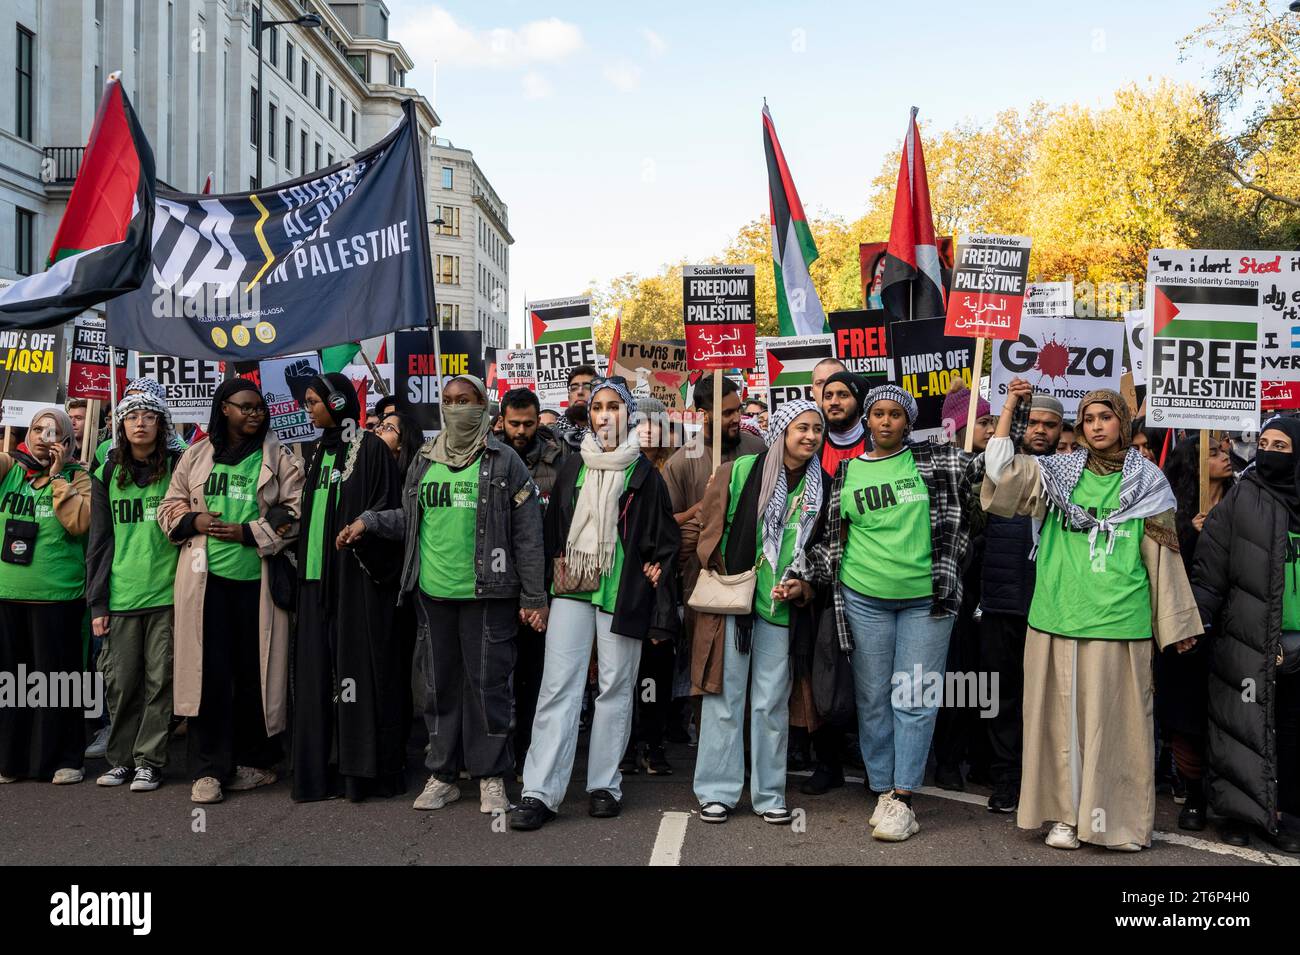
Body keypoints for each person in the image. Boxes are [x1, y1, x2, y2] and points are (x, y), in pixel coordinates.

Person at [982, 380, 1201, 851]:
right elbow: (999, 470)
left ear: (1122, 422)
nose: (1097, 426)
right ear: (1078, 427)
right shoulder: (1057, 471)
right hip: (1058, 613)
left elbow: (1163, 556)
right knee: (1060, 724)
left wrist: (1177, 623)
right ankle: (1063, 817)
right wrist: (1010, 406)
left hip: (1120, 618)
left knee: (1115, 727)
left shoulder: (1149, 481)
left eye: (1106, 417)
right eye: (1088, 419)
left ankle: (1112, 823)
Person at [339, 374, 546, 815]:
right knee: (439, 687)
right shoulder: (424, 460)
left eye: (465, 400)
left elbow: (529, 536)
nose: (456, 408)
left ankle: (491, 775)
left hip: (488, 596)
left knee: (488, 686)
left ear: (483, 405)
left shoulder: (506, 461)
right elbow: (410, 518)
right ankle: (444, 774)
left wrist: (533, 597)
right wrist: (370, 522)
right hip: (432, 595)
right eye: (448, 401)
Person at [804, 384, 997, 842]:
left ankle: (904, 797)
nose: (886, 421)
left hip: (926, 600)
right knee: (872, 700)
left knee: (914, 697)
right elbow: (832, 544)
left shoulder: (936, 460)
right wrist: (802, 575)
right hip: (863, 598)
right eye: (878, 414)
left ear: (908, 423)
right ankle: (883, 790)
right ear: (867, 421)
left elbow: (995, 468)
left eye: (895, 414)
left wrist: (1010, 410)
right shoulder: (847, 472)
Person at [510, 378, 680, 831]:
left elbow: (665, 539)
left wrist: (654, 568)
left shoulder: (643, 473)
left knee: (615, 689)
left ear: (629, 415)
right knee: (558, 687)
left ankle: (604, 786)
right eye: (598, 407)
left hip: (621, 592)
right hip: (571, 588)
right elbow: (553, 531)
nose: (605, 415)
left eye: (614, 407)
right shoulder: (573, 466)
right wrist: (541, 592)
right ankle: (539, 791)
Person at [159, 379, 303, 805]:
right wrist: (196, 522)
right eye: (245, 407)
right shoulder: (197, 455)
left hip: (257, 587)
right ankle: (208, 770)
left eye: (260, 407)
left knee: (253, 675)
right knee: (208, 676)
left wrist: (248, 532)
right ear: (224, 409)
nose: (255, 414)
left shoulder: (281, 458)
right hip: (205, 587)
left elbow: (295, 514)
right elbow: (169, 506)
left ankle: (255, 762)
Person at [688, 400, 828, 823]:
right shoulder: (739, 471)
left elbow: (822, 546)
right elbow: (709, 529)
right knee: (725, 699)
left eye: (816, 430)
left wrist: (802, 584)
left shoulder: (825, 484)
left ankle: (769, 795)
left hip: (782, 610)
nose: (809, 436)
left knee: (770, 705)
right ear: (782, 430)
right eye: (801, 427)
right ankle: (717, 792)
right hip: (736, 604)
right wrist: (727, 571)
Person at [291, 373, 405, 803]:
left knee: (357, 673)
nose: (308, 409)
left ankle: (363, 773)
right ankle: (322, 772)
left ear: (337, 403)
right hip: (316, 584)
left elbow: (392, 513)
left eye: (313, 401)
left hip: (357, 583)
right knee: (318, 675)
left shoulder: (371, 449)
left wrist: (363, 529)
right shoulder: (319, 449)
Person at [1192, 415, 1300, 852]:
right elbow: (1210, 569)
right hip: (1248, 637)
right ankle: (1235, 814)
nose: (1271, 452)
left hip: (1296, 640)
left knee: (1290, 733)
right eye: (1266, 443)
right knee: (1241, 728)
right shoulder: (1242, 499)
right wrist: (1195, 621)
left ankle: (1285, 815)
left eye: (1282, 446)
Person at [86, 389, 182, 792]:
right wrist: (98, 602)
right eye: (131, 416)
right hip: (122, 595)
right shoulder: (107, 472)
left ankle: (150, 760)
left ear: (161, 424)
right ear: (120, 426)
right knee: (121, 682)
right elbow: (99, 541)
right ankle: (121, 759)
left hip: (168, 594)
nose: (139, 422)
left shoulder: (180, 467)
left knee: (161, 681)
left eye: (148, 415)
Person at [978, 394, 1063, 812]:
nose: (1042, 430)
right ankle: (1007, 779)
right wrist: (1010, 406)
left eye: (1051, 425)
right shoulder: (1009, 471)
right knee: (1003, 696)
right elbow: (995, 464)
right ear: (1022, 429)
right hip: (1002, 604)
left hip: (1051, 606)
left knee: (1047, 699)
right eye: (1035, 423)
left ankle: (1042, 780)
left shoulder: (1070, 474)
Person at [0, 408, 91, 785]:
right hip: (8, 594)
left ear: (67, 442)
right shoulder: (10, 469)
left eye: (53, 431)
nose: (43, 436)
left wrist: (57, 478)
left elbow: (79, 523)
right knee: (12, 682)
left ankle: (66, 758)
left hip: (59, 597)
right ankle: (12, 759)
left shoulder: (80, 477)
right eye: (37, 428)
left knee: (61, 682)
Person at [1157, 432, 1233, 831]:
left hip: (1232, 629)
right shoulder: (1170, 510)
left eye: (1224, 450)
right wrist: (1189, 533)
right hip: (1185, 629)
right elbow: (1158, 567)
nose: (1226, 457)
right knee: (1187, 715)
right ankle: (1194, 797)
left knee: (1228, 716)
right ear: (1193, 465)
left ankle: (1229, 801)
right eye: (1215, 453)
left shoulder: (1244, 503)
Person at [499, 386, 569, 777]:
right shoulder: (487, 455)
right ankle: (493, 755)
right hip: (496, 584)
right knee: (494, 675)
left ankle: (529, 754)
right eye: (514, 424)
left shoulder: (559, 459)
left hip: (542, 587)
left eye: (528, 423)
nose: (521, 430)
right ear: (501, 420)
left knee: (535, 677)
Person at [626, 395, 680, 775]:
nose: (646, 429)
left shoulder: (677, 466)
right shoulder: (619, 468)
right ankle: (626, 745)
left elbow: (671, 538)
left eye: (653, 422)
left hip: (661, 588)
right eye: (639, 422)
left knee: (655, 673)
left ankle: (653, 743)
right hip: (625, 585)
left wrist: (659, 565)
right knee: (623, 674)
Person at [820, 370, 870, 476]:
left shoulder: (878, 443)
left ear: (859, 402)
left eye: (843, 395)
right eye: (828, 396)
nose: (833, 402)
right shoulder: (812, 445)